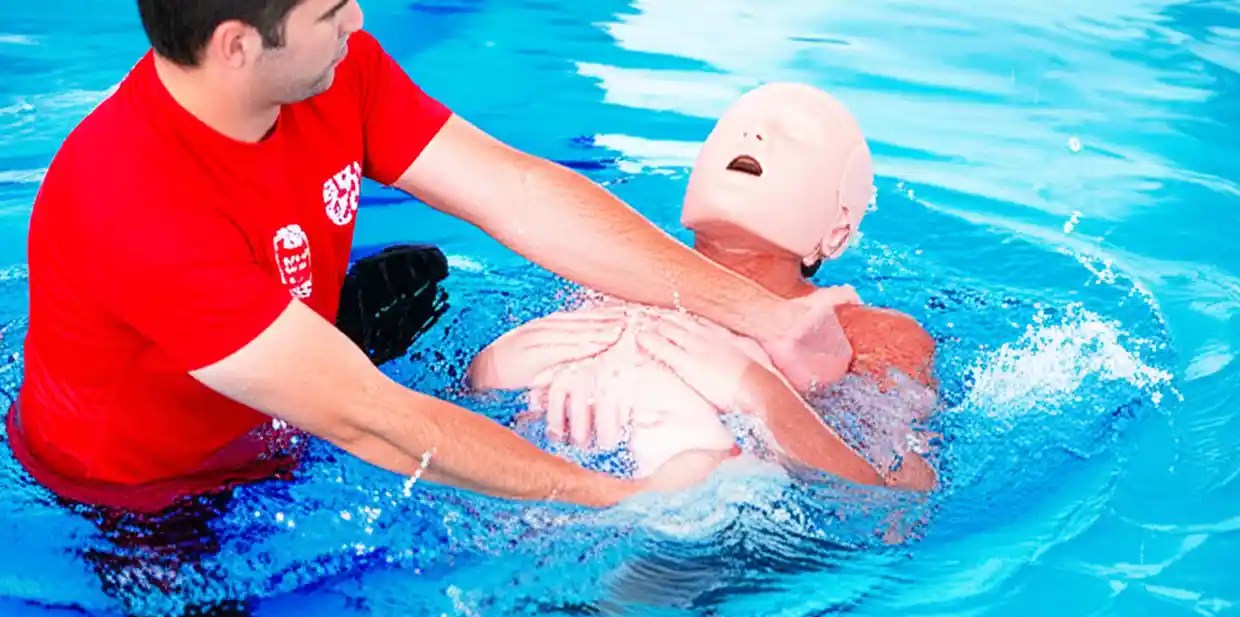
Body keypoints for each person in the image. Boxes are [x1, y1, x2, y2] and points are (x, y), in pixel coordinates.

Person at [8, 0, 863, 517]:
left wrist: (765, 315)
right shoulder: (131, 205)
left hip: (274, 401)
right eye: (331, 9)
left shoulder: (330, 74)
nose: (360, 20)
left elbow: (520, 193)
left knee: (413, 284)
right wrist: (630, 503)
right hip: (144, 506)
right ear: (237, 45)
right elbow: (375, 420)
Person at [468, 82, 938, 492]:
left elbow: (897, 497)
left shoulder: (869, 335)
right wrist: (486, 374)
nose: (754, 136)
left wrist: (768, 398)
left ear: (836, 233)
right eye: (736, 129)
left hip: (729, 526)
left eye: (793, 138)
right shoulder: (607, 278)